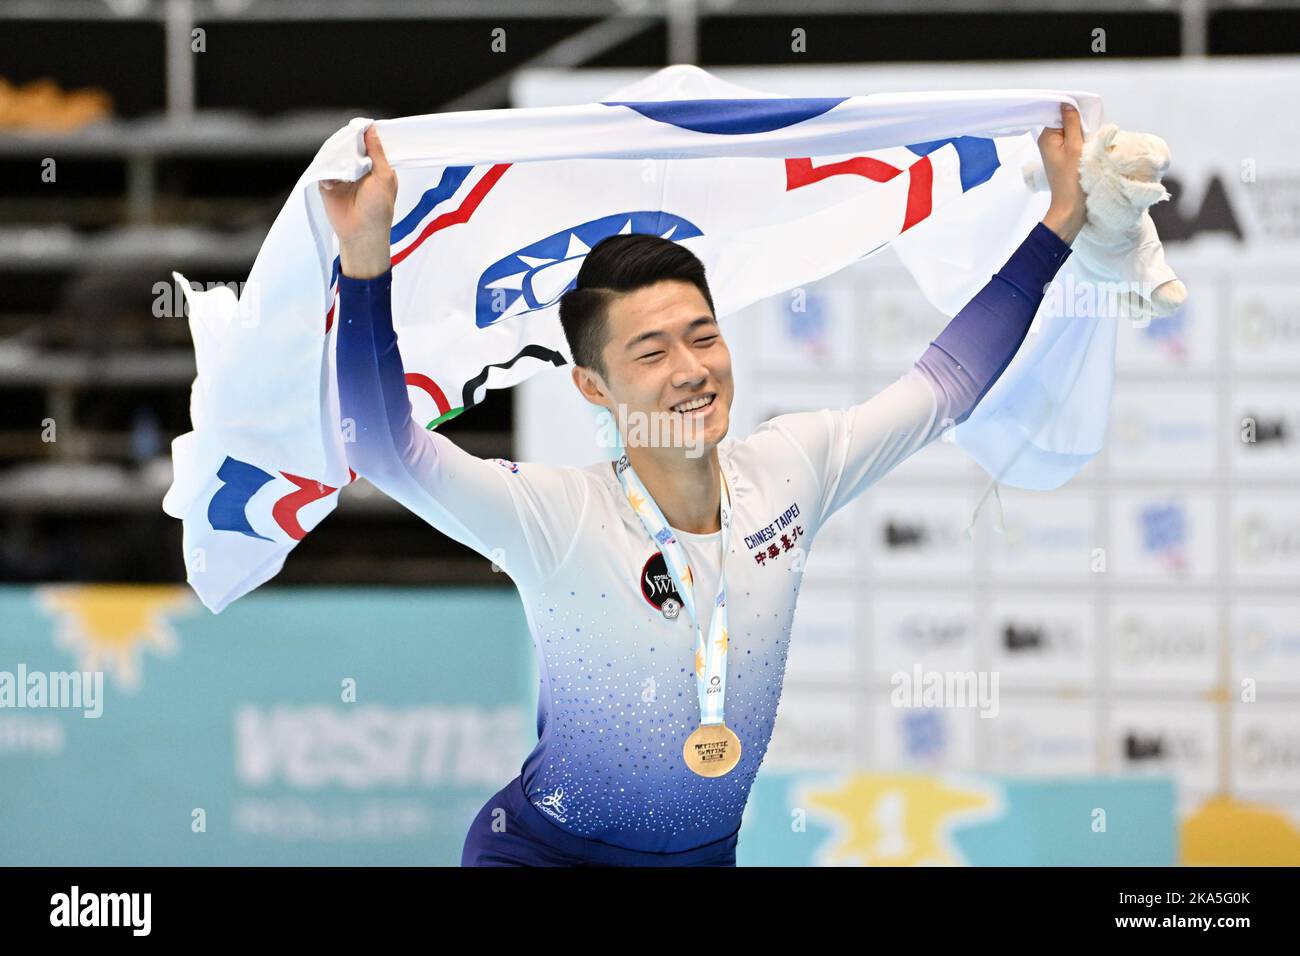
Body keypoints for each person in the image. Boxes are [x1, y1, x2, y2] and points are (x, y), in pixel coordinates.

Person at [319, 105, 1087, 866]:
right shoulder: (554, 516)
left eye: (704, 336)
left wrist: (1058, 224)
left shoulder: (790, 469)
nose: (691, 369)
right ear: (592, 386)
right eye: (650, 353)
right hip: (542, 856)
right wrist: (363, 256)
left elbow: (948, 382)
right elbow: (385, 447)